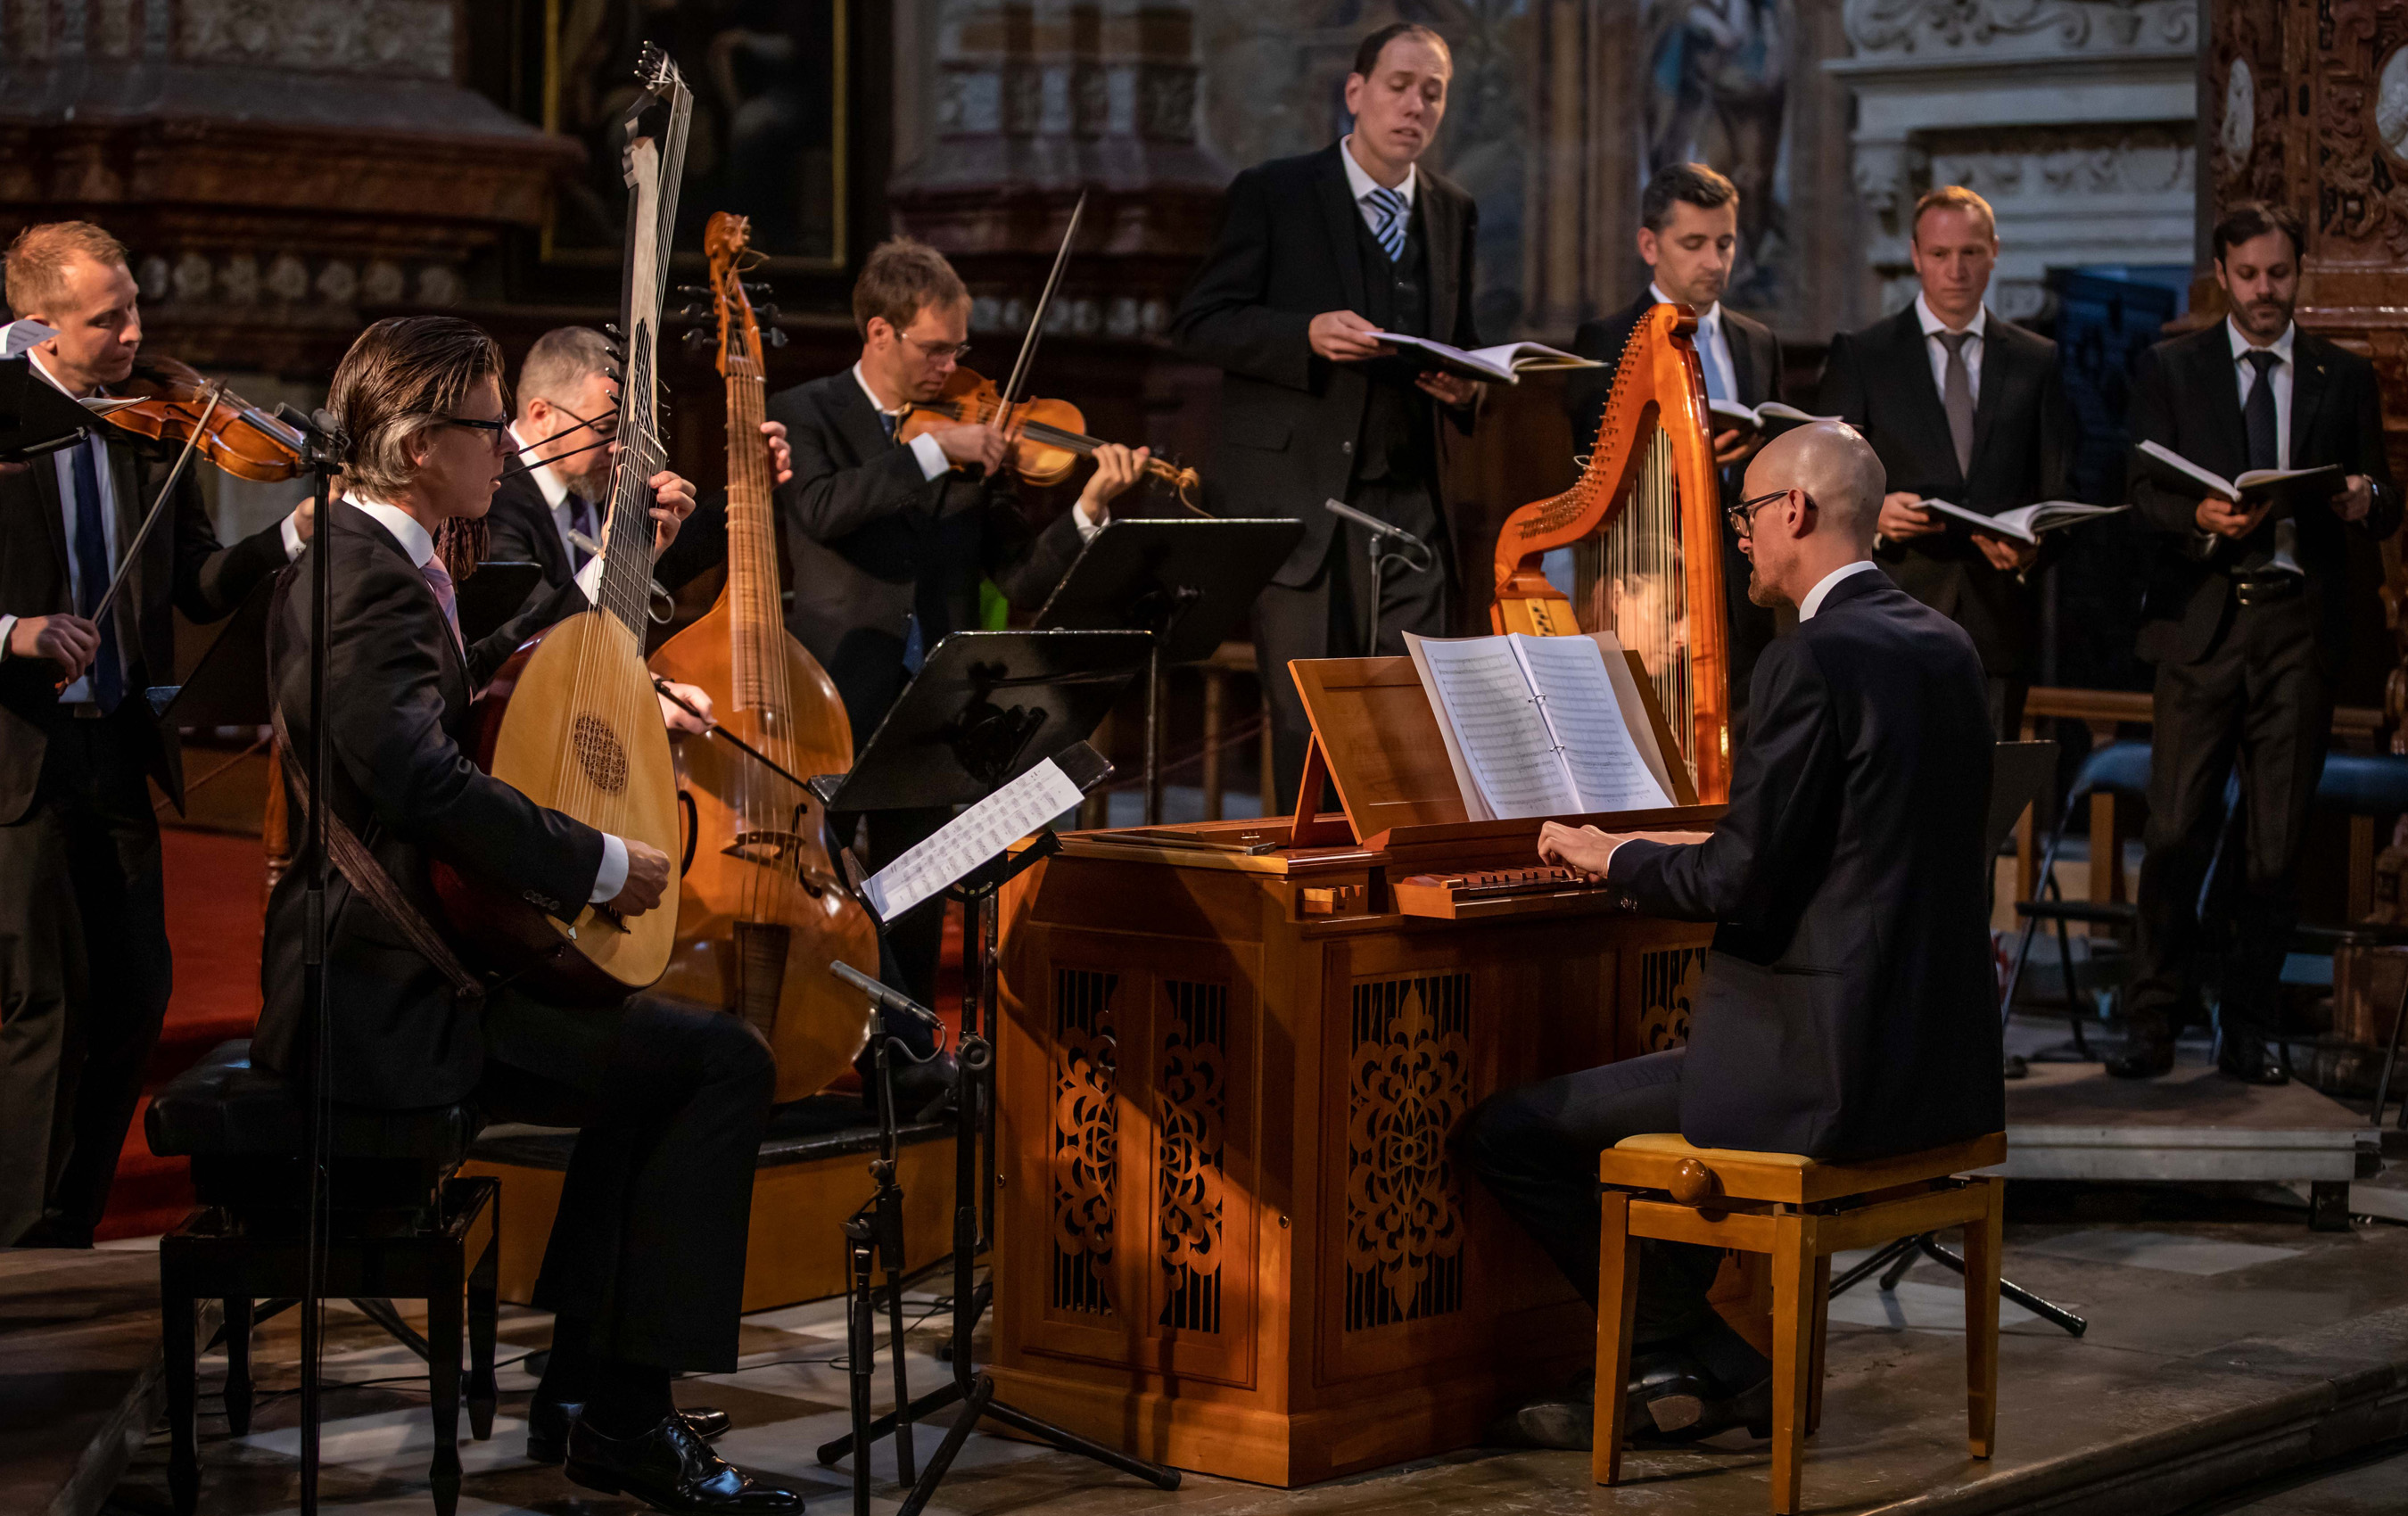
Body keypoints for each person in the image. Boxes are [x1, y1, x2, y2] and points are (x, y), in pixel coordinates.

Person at [251, 316, 803, 1512]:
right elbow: (418, 779)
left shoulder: (380, 558)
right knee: (717, 1064)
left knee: (665, 1055)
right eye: (484, 426)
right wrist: (600, 863)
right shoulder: (361, 576)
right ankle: (623, 1415)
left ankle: (590, 1389)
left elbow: (432, 721)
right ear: (411, 445)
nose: (507, 446)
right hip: (382, 1002)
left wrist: (577, 656)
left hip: (409, 971)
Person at [1457, 421, 2000, 1451]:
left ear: (1792, 510)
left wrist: (1604, 857)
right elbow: (1843, 835)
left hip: (1816, 1067)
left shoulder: (1810, 656)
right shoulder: (1942, 643)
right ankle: (1690, 1364)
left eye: (1746, 514)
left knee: (1510, 1131)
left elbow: (1737, 881)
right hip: (1926, 1061)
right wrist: (1661, 834)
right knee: (1615, 1107)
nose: (1741, 538)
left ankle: (1693, 1355)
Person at [0, 221, 310, 1248]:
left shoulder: (148, 422)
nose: (137, 331)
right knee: (41, 1005)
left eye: (135, 306)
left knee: (136, 994)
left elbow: (196, 581)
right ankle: (21, 1246)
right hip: (21, 755)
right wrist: (15, 630)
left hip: (118, 746)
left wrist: (291, 536)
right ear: (39, 324)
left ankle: (71, 1224)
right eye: (107, 318)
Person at [768, 235, 1146, 1075]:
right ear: (879, 333)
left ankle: (899, 1055)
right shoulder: (809, 411)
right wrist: (936, 452)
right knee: (815, 873)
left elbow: (1018, 572)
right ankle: (805, 1044)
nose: (952, 368)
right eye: (934, 349)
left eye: (958, 350)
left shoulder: (980, 436)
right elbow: (825, 511)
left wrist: (1084, 509)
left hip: (932, 694)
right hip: (832, 684)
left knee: (916, 883)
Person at [2110, 202, 2401, 1084]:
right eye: (2248, 275)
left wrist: (2364, 500)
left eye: (2279, 274)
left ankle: (2247, 1026)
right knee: (2176, 829)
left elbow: (2387, 493)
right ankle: (2151, 1019)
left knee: (2276, 845)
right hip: (2203, 621)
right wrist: (2198, 517)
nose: (2265, 291)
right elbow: (2138, 495)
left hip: (2296, 626)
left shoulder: (2339, 375)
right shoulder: (2173, 367)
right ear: (2223, 273)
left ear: (2296, 272)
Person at [1172, 21, 1483, 808]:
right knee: (1307, 730)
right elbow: (1202, 321)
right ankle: (1308, 910)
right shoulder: (1274, 193)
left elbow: (1461, 341)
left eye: (1432, 93)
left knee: (1414, 726)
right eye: (1399, 85)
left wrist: (1468, 387)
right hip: (1304, 506)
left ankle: (1396, 901)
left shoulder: (1452, 211)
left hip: (1413, 509)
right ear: (1356, 92)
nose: (1414, 105)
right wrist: (1302, 333)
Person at [1818, 185, 2067, 737]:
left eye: (1971, 253)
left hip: (1997, 621)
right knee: (1891, 797)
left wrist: (2032, 550)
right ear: (1915, 256)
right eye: (1939, 254)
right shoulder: (1864, 354)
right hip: (1890, 613)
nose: (1956, 269)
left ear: (1994, 252)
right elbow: (1817, 480)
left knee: (1988, 804)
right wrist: (1875, 515)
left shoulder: (2035, 360)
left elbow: (2059, 486)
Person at [1563, 161, 1785, 740]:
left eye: (1725, 242)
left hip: (1743, 586)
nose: (1714, 262)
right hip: (1649, 593)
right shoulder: (1606, 340)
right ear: (1649, 244)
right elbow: (1595, 476)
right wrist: (1680, 460)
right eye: (1694, 244)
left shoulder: (1757, 343)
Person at [486, 325, 790, 599]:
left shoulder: (589, 477)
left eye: (623, 431)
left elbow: (654, 574)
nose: (618, 446)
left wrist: (748, 489)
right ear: (542, 415)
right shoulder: (490, 499)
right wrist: (611, 560)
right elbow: (530, 629)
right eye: (604, 430)